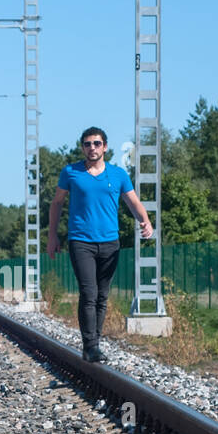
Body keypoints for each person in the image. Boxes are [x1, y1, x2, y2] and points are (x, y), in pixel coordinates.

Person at [46, 126, 153, 361]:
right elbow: (57, 204)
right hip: (80, 241)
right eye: (87, 144)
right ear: (82, 147)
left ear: (105, 147)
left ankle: (95, 341)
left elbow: (133, 202)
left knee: (102, 295)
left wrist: (145, 221)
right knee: (89, 292)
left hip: (110, 243)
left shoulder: (118, 175)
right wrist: (52, 235)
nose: (91, 148)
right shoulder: (70, 173)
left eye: (96, 143)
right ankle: (91, 346)